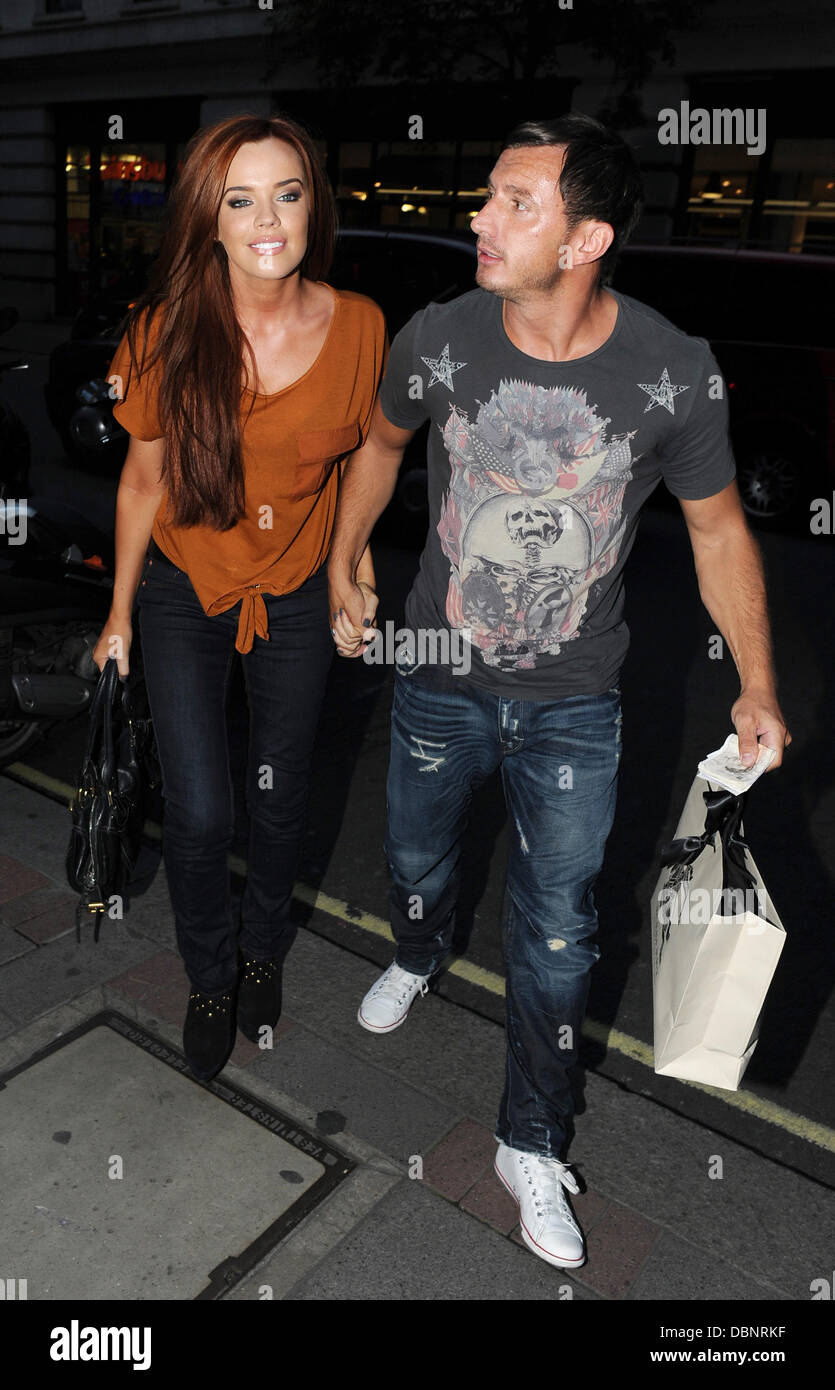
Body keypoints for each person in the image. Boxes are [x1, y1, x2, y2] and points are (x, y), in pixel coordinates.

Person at [327, 113, 791, 1271]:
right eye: (486, 195)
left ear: (584, 237)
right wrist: (349, 556)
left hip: (579, 698)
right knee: (420, 860)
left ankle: (528, 1139)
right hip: (439, 671)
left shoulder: (670, 368)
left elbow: (718, 527)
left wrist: (758, 681)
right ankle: (421, 947)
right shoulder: (440, 338)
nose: (479, 219)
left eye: (512, 202)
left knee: (558, 929)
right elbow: (382, 446)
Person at [94, 113, 385, 1082]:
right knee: (202, 811)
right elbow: (141, 484)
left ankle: (263, 952)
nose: (269, 218)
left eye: (288, 193)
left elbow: (356, 465)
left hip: (298, 592)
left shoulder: (359, 327)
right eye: (241, 198)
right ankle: (210, 976)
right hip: (185, 590)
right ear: (207, 220)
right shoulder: (163, 331)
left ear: (314, 206)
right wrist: (118, 617)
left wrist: (353, 562)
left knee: (282, 795)